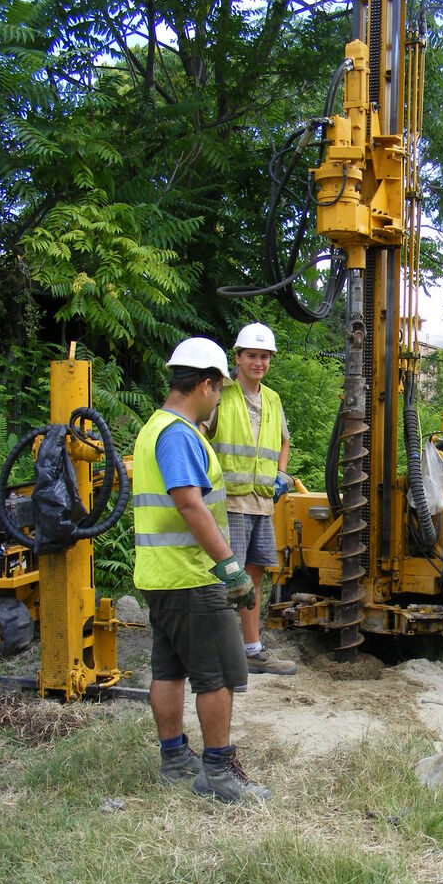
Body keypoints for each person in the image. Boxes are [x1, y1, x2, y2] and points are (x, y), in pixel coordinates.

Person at [133, 336, 270, 803]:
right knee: (220, 674)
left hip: (161, 575)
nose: (218, 399)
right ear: (207, 385)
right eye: (218, 389)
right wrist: (230, 567)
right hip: (192, 578)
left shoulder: (155, 427)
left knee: (168, 669)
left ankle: (173, 758)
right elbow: (190, 505)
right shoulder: (179, 435)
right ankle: (217, 771)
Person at [203, 322, 297, 677]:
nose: (258, 362)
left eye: (264, 357)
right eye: (251, 356)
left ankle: (251, 649)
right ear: (237, 357)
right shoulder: (222, 394)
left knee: (254, 576)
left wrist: (282, 475)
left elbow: (284, 440)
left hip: (262, 502)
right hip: (230, 503)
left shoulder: (271, 398)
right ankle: (217, 650)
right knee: (228, 577)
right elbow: (200, 431)